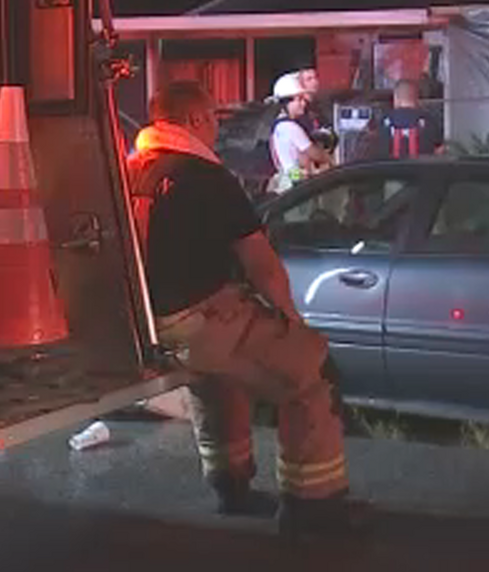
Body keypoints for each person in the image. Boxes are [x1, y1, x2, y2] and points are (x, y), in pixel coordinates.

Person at [126, 80, 361, 537]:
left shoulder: (132, 167)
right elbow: (262, 265)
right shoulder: (207, 177)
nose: (215, 128)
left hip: (149, 328)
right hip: (200, 320)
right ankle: (314, 508)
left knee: (216, 378)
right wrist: (292, 321)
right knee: (311, 374)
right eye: (212, 117)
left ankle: (229, 485)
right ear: (194, 120)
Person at [268, 72, 332, 193]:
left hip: (288, 182)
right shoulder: (290, 128)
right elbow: (315, 154)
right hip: (293, 185)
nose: (303, 104)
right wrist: (330, 161)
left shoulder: (280, 125)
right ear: (287, 103)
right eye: (299, 100)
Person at [380, 78, 443, 160]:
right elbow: (439, 151)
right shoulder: (429, 121)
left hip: (387, 172)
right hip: (423, 171)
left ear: (395, 98)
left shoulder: (383, 122)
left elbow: (375, 152)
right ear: (416, 98)